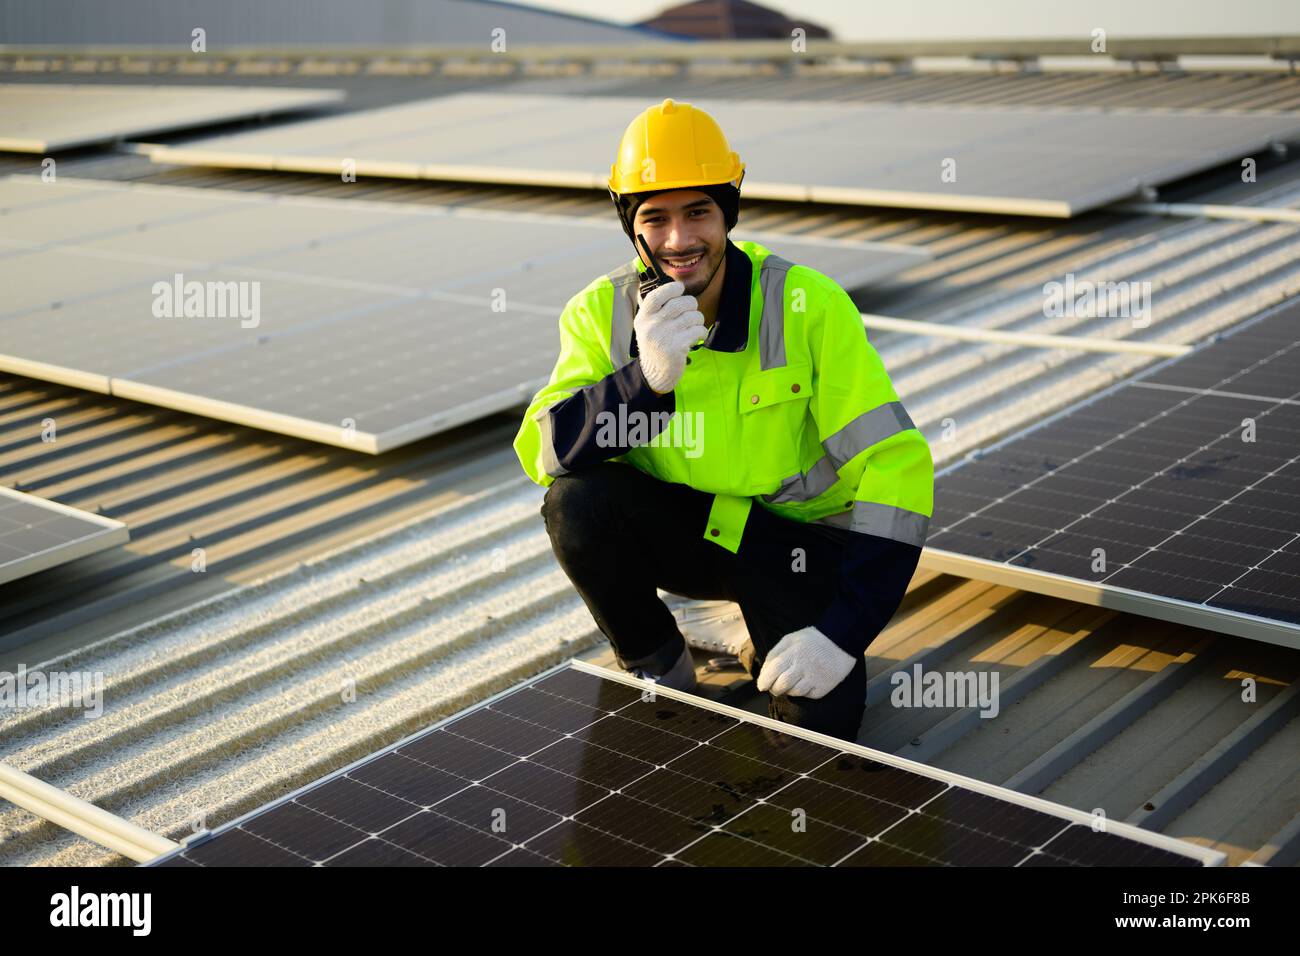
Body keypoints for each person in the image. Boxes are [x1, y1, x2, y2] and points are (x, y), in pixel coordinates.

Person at [513, 98, 933, 742]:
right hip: (698, 532)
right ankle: (660, 662)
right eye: (655, 217)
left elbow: (897, 471)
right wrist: (641, 383)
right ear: (631, 225)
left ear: (728, 211)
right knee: (576, 504)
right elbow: (544, 454)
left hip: (795, 547)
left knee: (815, 729)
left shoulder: (807, 305)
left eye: (698, 212)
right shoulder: (599, 313)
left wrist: (842, 632)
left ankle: (758, 626)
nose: (679, 240)